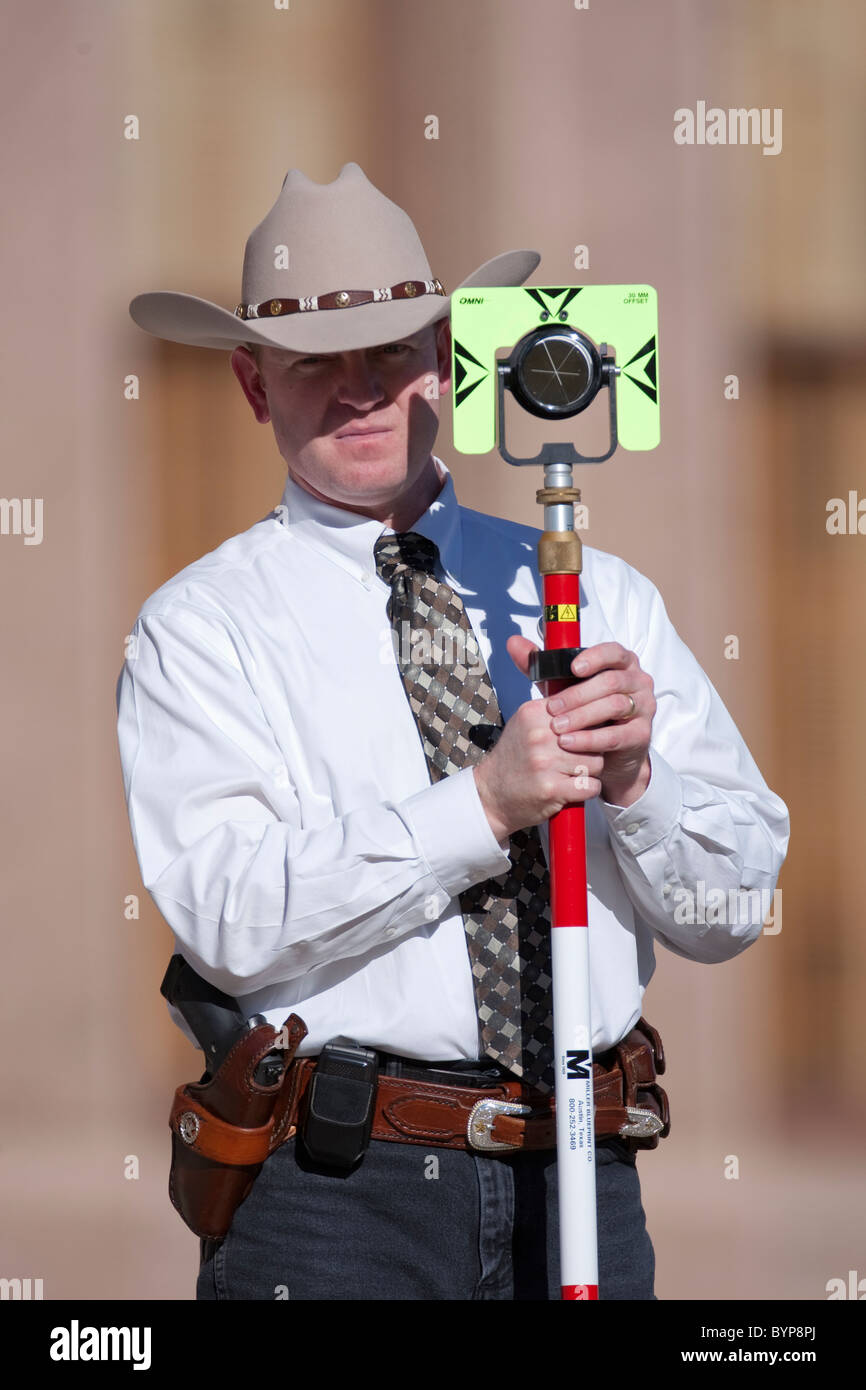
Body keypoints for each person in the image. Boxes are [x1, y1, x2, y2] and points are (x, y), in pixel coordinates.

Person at [118, 161, 789, 1301]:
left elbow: (733, 906)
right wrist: (480, 807)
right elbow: (231, 920)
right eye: (313, 362)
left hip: (582, 1171)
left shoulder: (597, 592)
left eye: (390, 350)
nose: (359, 389)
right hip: (334, 1199)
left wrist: (634, 785)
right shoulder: (200, 627)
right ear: (250, 382)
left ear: (444, 359)